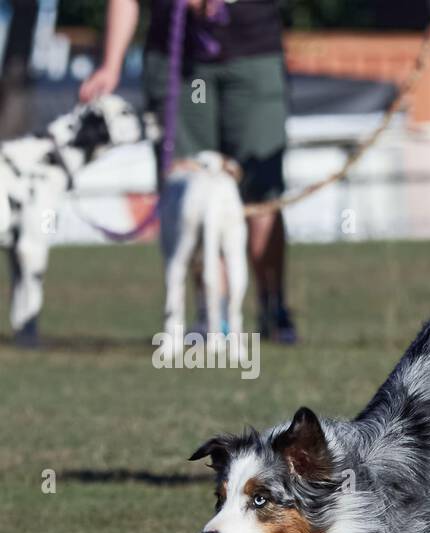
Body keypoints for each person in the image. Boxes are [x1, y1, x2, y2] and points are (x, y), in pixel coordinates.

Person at [81, 0, 297, 341]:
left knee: (261, 193)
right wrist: (110, 64)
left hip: (252, 54)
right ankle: (214, 315)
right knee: (191, 193)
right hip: (177, 63)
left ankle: (273, 305)